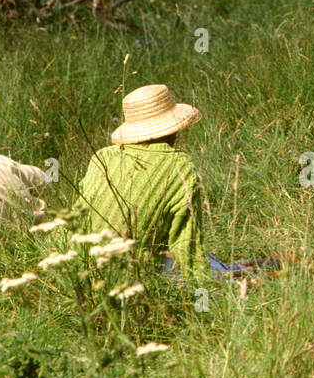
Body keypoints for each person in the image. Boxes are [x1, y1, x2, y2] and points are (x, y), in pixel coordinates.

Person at [69, 84, 212, 282]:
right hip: (132, 276)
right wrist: (204, 291)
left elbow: (78, 216)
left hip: (77, 268)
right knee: (213, 265)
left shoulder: (101, 157)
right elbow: (187, 245)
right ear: (176, 129)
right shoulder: (179, 166)